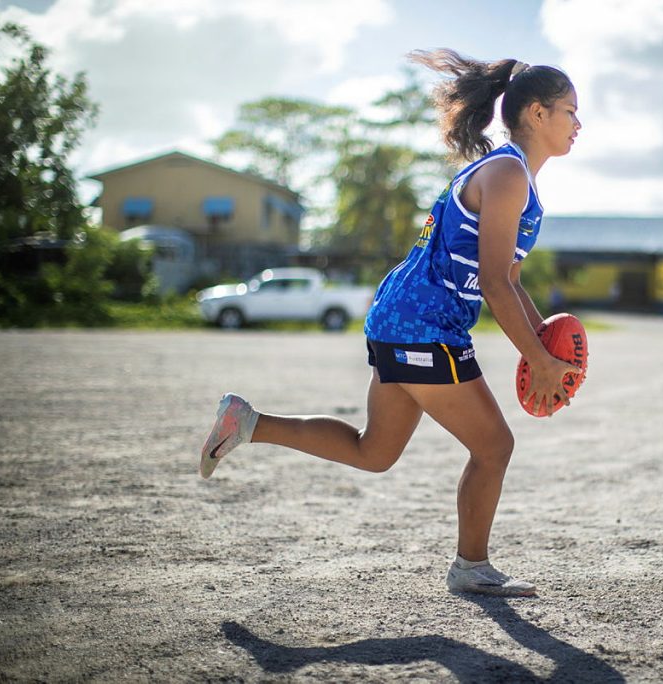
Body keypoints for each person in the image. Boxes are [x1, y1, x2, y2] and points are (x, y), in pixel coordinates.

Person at [199, 49, 583, 597]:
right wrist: (540, 361)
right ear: (538, 113)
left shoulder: (517, 181)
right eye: (571, 110)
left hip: (403, 320)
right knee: (494, 447)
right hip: (424, 326)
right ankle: (471, 568)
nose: (578, 124)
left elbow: (513, 282)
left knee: (373, 452)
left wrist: (546, 344)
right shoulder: (505, 173)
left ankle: (248, 422)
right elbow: (495, 285)